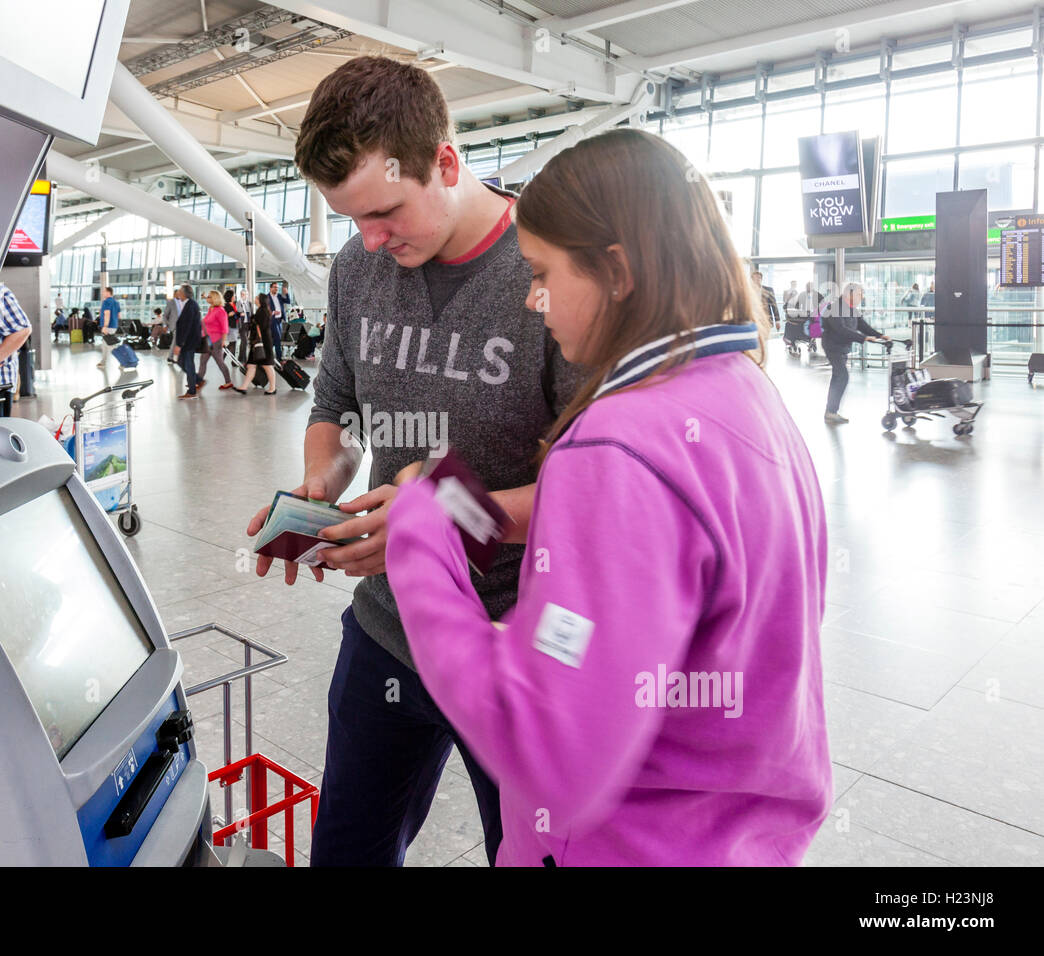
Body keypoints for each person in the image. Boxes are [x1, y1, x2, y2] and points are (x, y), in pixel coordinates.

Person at [381, 128, 831, 866]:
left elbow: (550, 751)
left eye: (543, 272)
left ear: (616, 271)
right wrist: (448, 498)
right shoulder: (743, 394)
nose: (533, 300)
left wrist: (420, 535)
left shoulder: (617, 441)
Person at [248, 54, 582, 868]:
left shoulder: (546, 275)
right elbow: (337, 407)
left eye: (386, 213)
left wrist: (432, 520)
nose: (368, 240)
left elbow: (591, 490)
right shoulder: (360, 270)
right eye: (350, 218)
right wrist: (317, 490)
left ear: (446, 163)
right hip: (389, 637)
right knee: (348, 854)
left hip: (516, 645)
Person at [821, 281, 889, 424]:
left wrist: (879, 335)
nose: (862, 297)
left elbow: (862, 326)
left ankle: (830, 411)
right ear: (849, 294)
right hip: (833, 347)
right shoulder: (834, 308)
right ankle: (831, 412)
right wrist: (863, 338)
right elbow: (841, 330)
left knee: (838, 377)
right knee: (842, 376)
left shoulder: (851, 309)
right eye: (859, 294)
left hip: (842, 347)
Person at [231, 293, 277, 395]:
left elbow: (260, 327)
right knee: (251, 365)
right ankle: (244, 387)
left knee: (268, 365)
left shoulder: (262, 312)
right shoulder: (262, 310)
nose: (255, 299)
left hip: (262, 342)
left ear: (261, 300)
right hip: (257, 342)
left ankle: (273, 388)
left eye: (256, 298)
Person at [169, 284, 204, 399]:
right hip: (189, 340)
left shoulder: (190, 305)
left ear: (183, 293)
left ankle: (192, 391)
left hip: (189, 341)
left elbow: (187, 326)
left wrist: (180, 344)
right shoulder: (189, 304)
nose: (178, 293)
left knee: (188, 364)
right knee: (181, 362)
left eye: (179, 291)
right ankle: (197, 380)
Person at [197, 289, 235, 390]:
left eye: (209, 297)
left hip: (216, 341)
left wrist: (223, 341)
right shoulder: (211, 309)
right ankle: (198, 381)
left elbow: (225, 328)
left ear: (214, 298)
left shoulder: (221, 311)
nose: (207, 298)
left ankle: (228, 382)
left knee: (220, 362)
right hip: (208, 340)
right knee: (203, 361)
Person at [97, 285, 122, 370]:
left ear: (108, 292)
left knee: (111, 347)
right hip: (114, 325)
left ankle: (124, 362)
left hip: (108, 326)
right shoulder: (116, 302)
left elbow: (107, 314)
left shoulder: (106, 301)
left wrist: (105, 326)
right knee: (105, 345)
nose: (102, 293)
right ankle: (103, 362)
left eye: (104, 291)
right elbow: (119, 316)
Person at [267, 281, 286, 362]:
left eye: (277, 287)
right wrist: (274, 312)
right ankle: (278, 358)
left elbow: (287, 301)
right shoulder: (267, 297)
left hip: (279, 320)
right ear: (271, 288)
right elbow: (266, 309)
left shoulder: (279, 296)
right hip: (272, 320)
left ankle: (271, 357)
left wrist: (286, 293)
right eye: (274, 287)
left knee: (276, 339)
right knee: (276, 339)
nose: (276, 289)